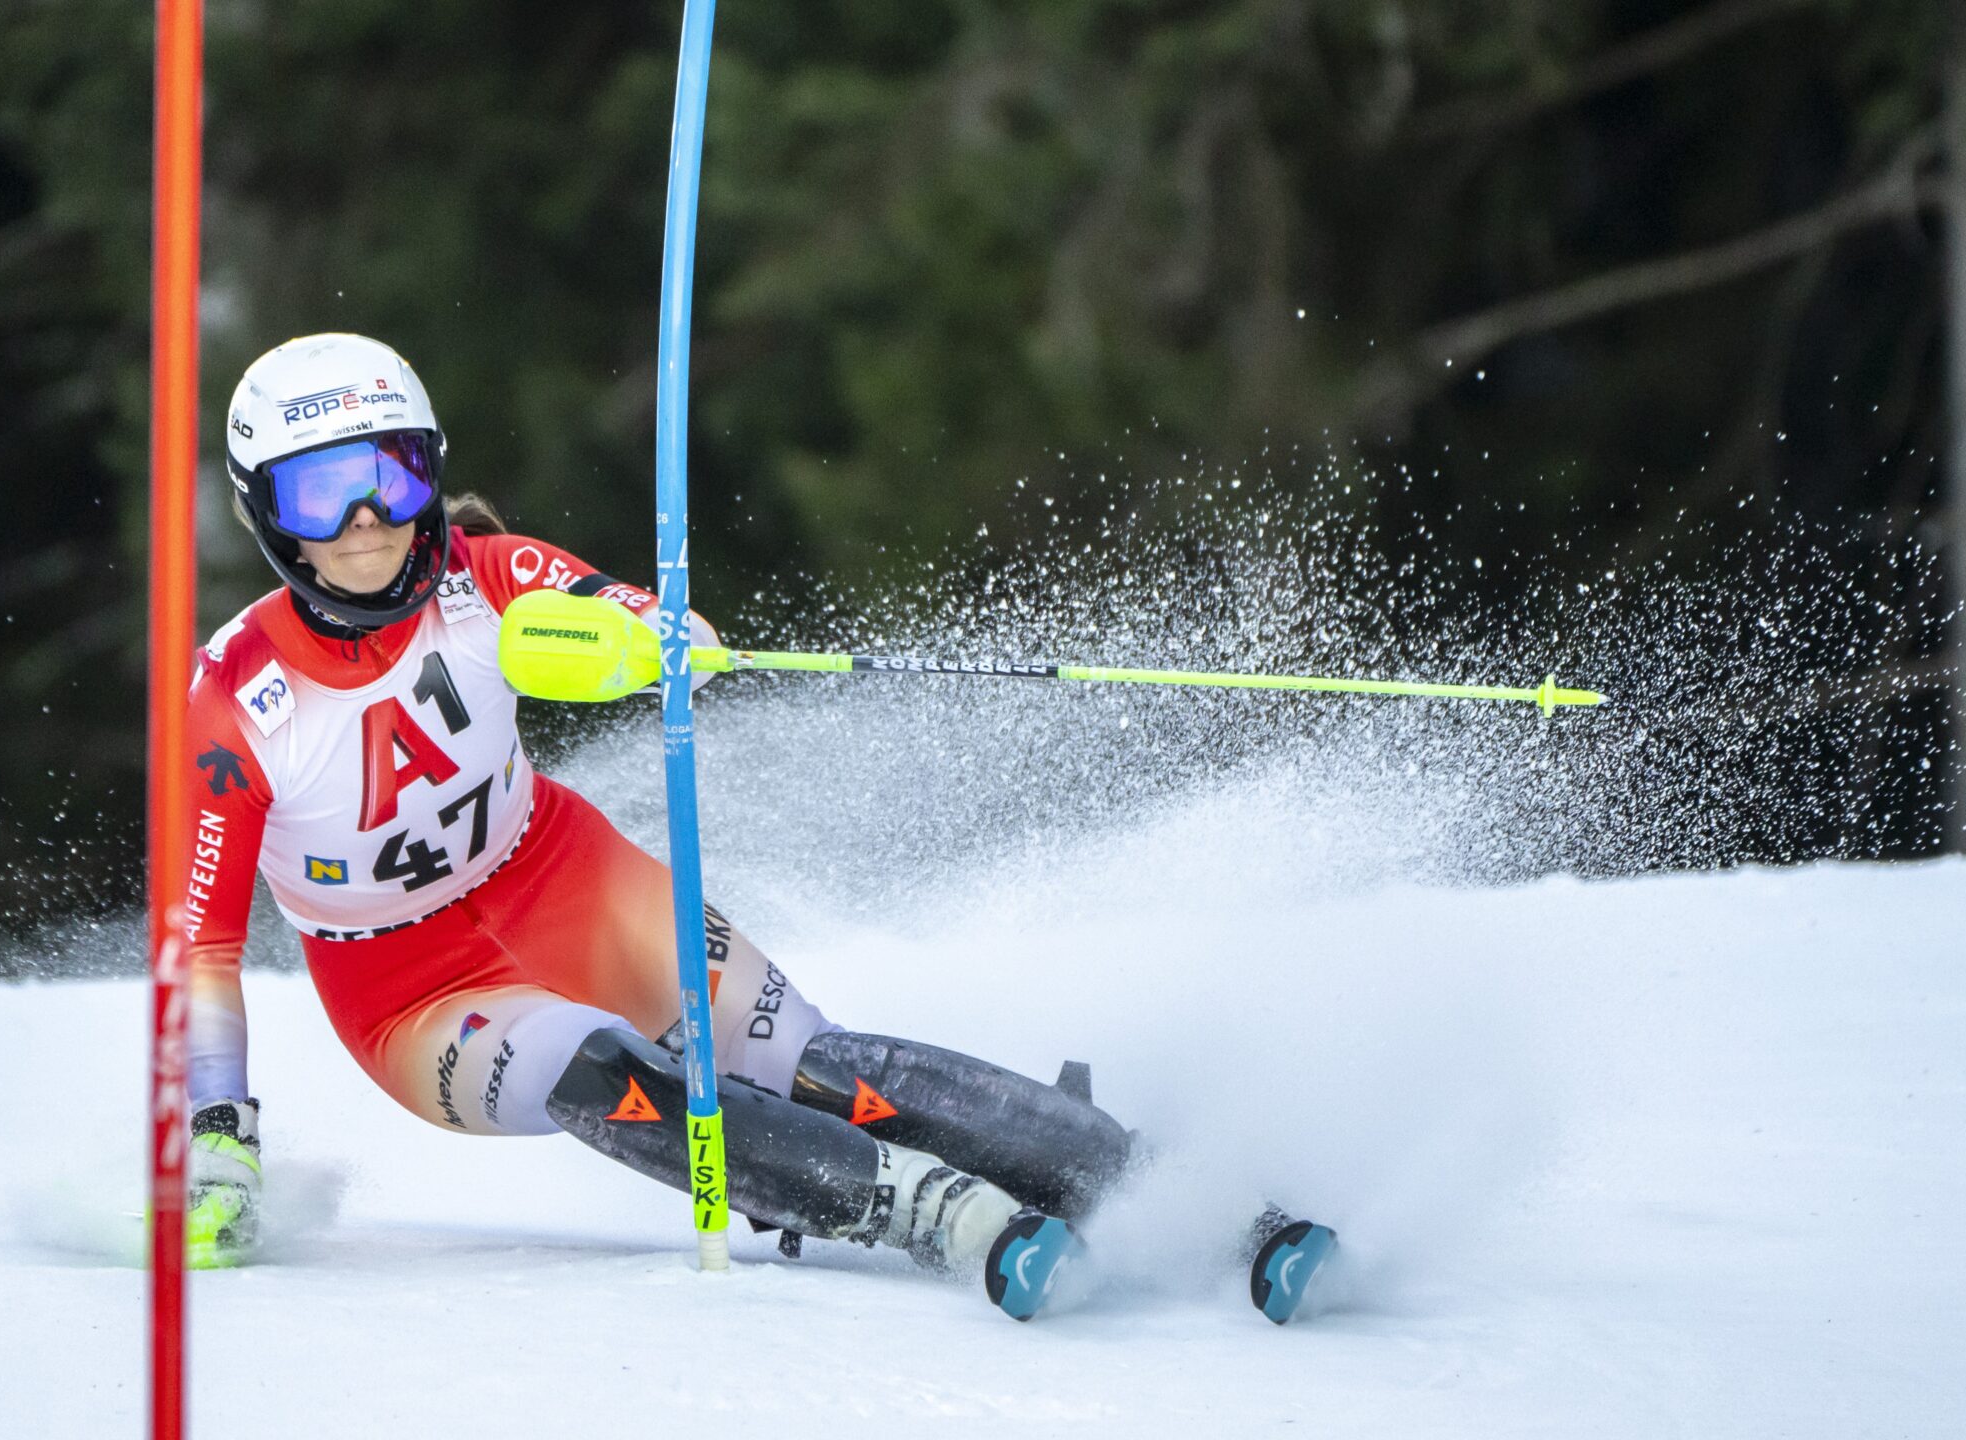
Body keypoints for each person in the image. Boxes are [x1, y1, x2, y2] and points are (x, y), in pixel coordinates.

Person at [175, 332, 1331, 1321]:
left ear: (430, 476)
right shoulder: (235, 698)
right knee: (599, 1069)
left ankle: (1182, 1197)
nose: (369, 520)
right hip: (407, 987)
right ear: (266, 516)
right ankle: (936, 1213)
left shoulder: (491, 576)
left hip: (561, 876)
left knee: (809, 1064)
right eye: (320, 494)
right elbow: (203, 945)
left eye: (390, 476)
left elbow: (633, 611)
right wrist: (218, 1129)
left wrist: (655, 643)